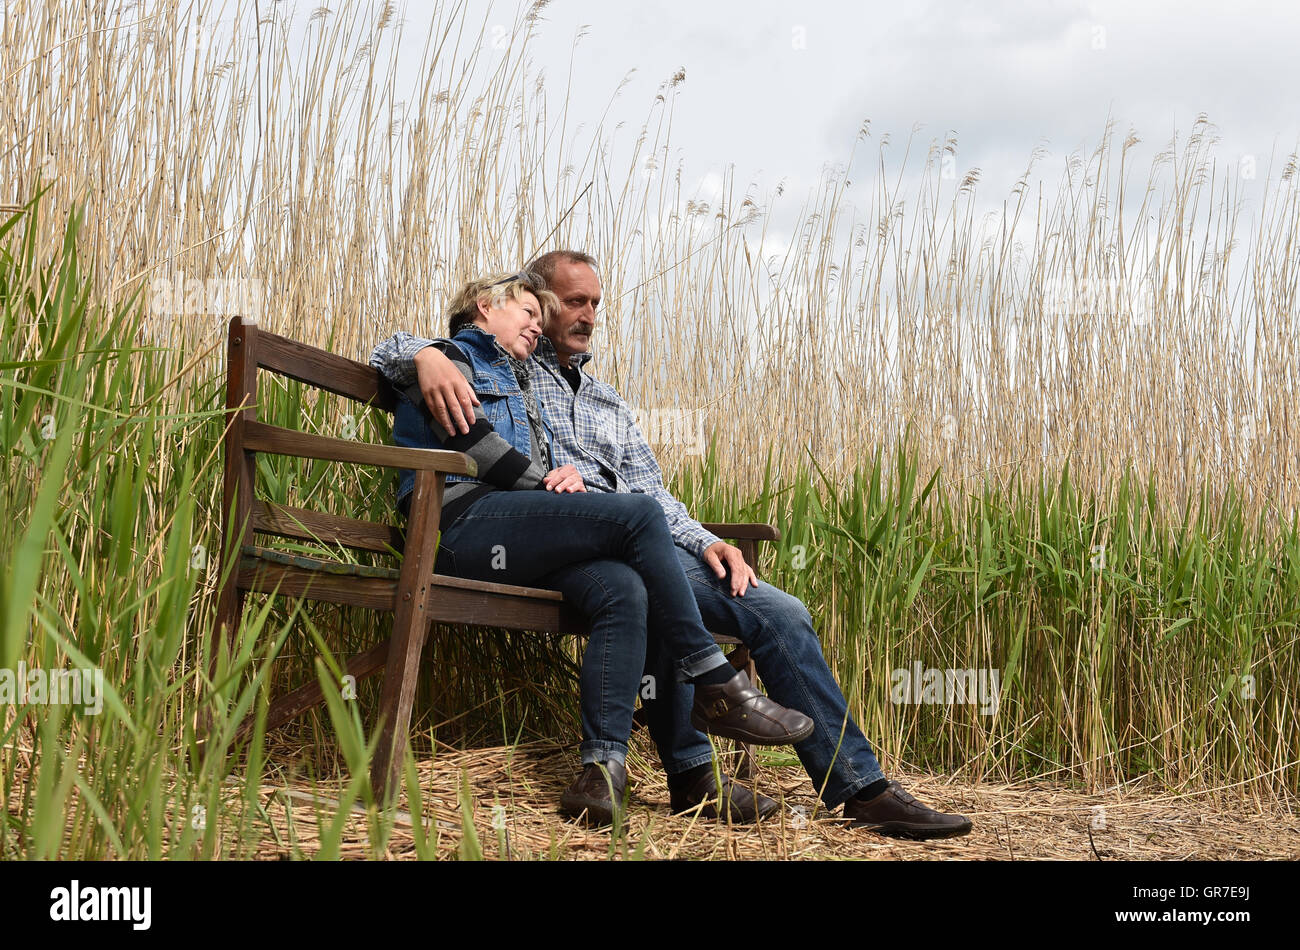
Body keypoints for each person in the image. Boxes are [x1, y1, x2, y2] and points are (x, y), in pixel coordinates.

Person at [371, 252, 973, 839]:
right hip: (574, 540)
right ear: (539, 304)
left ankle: (860, 789)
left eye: (595, 304)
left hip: (641, 539)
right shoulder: (521, 374)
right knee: (633, 564)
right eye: (568, 302)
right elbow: (417, 353)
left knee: (780, 613)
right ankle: (703, 731)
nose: (584, 315)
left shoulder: (607, 400)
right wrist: (425, 352)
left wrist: (708, 540)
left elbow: (654, 494)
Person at [372, 270, 814, 826]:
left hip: (517, 532)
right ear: (484, 305)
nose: (538, 325)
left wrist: (560, 485)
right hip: (458, 526)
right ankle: (715, 681)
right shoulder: (451, 357)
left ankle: (621, 773)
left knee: (626, 587)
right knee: (637, 517)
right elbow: (470, 443)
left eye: (541, 318)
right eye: (528, 313)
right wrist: (427, 355)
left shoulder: (524, 376)